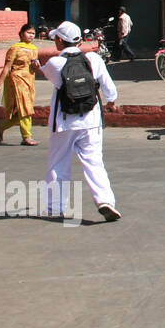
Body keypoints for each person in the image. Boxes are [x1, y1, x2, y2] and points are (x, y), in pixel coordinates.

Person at [41, 21, 120, 221]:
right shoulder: (93, 58)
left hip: (64, 122)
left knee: (58, 163)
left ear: (59, 40)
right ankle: (105, 201)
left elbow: (51, 77)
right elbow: (108, 87)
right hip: (91, 120)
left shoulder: (55, 64)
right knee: (94, 162)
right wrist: (111, 101)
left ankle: (55, 206)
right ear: (79, 40)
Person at [0, 22, 40, 146]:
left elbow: (32, 67)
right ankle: (27, 137)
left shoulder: (34, 49)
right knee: (26, 108)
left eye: (33, 33)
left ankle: (0, 127)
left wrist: (36, 66)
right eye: (28, 33)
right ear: (21, 34)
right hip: (16, 81)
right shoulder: (15, 48)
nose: (31, 35)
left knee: (22, 111)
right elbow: (7, 68)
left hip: (29, 80)